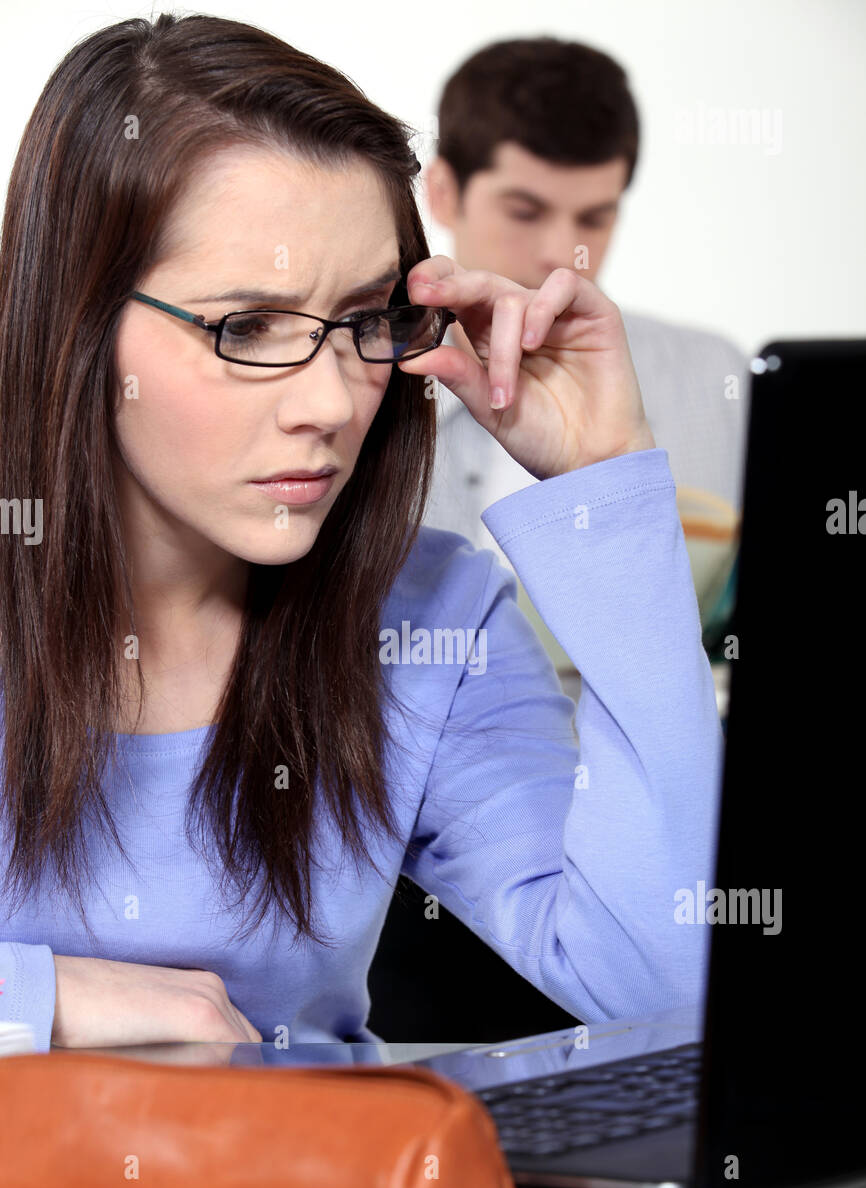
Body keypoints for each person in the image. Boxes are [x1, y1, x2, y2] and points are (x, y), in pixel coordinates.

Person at [0, 13, 722, 1053]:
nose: (332, 404)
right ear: (79, 320)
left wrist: (604, 484)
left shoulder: (432, 624)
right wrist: (45, 1003)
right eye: (246, 326)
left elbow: (665, 987)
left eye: (364, 320)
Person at [423, 37, 748, 561]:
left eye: (594, 218)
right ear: (442, 194)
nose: (561, 252)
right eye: (524, 212)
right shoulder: (359, 381)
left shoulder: (717, 382)